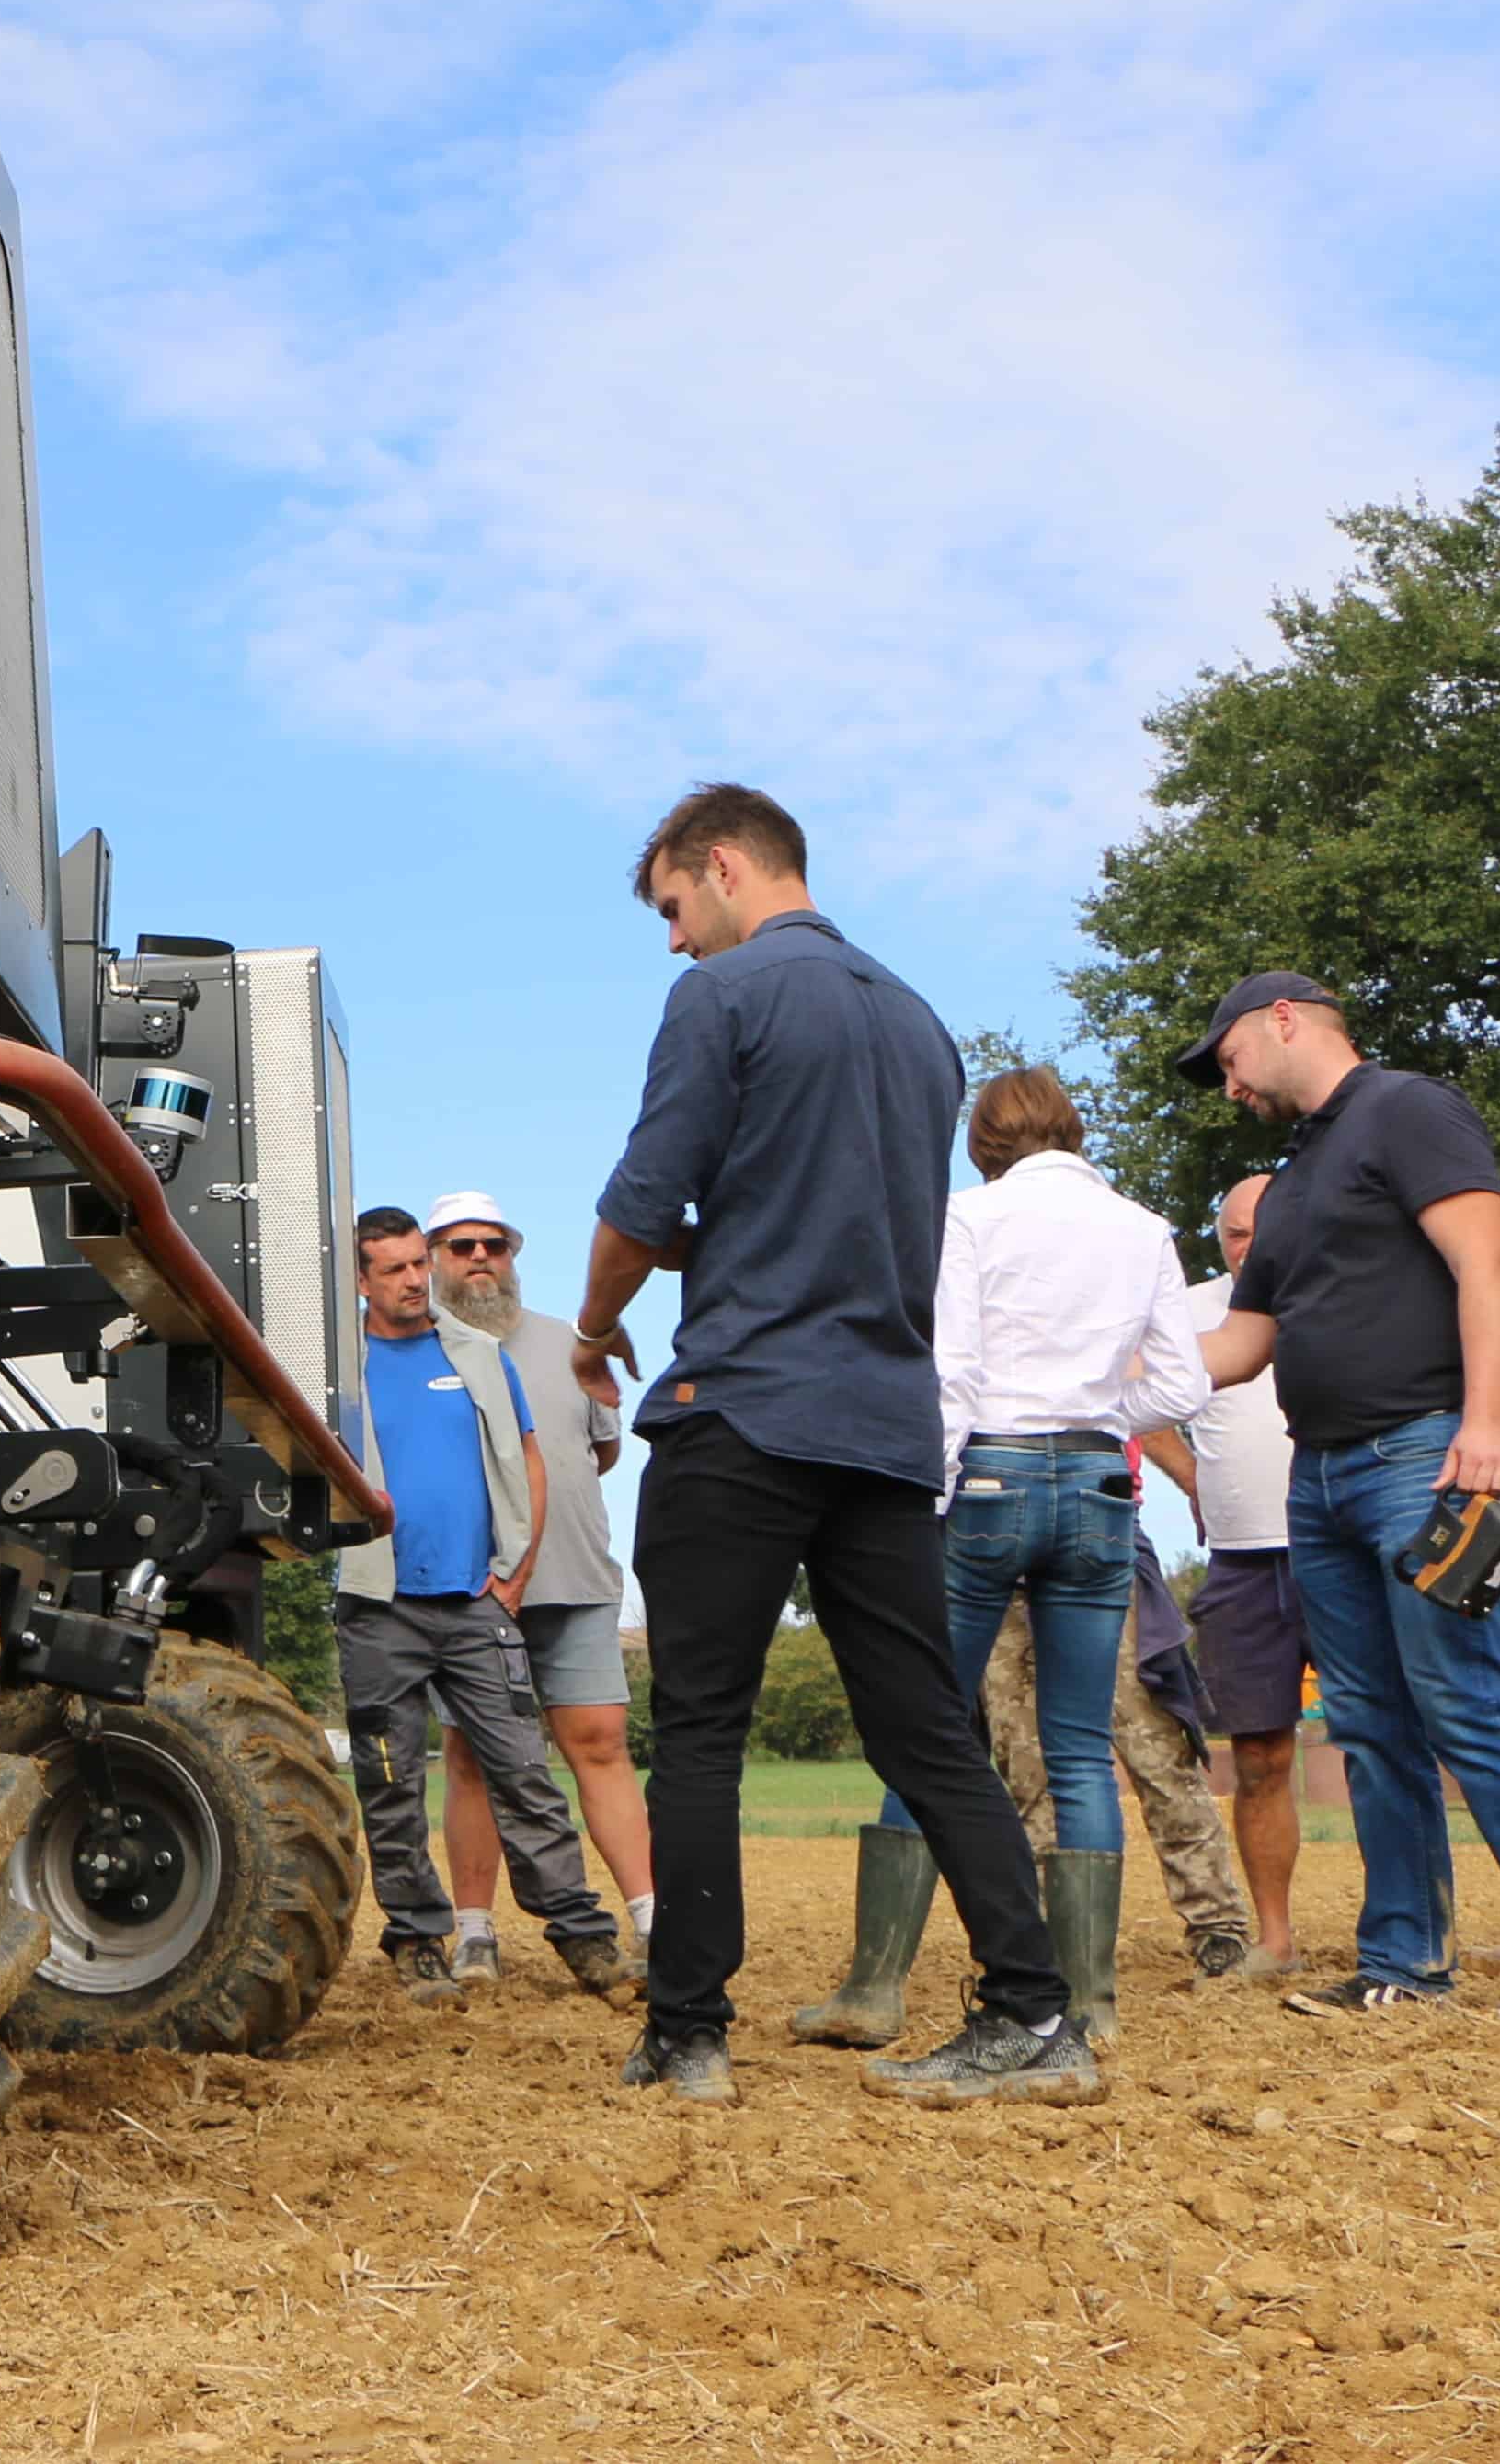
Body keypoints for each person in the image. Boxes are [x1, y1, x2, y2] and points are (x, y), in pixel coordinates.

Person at [574, 784, 1091, 2109]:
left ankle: (688, 2034)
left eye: (677, 909)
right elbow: (820, 1214)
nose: (676, 942)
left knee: (697, 1730)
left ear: (728, 867)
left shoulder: (723, 999)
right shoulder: (922, 1028)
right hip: (880, 1429)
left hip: (742, 1410)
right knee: (929, 1732)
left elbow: (639, 1202)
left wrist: (590, 1328)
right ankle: (1035, 2019)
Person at [1181, 972, 1500, 2021]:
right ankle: (1404, 1959)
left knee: (1469, 1705)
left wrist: (1489, 1423)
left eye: (1229, 1060)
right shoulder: (1293, 1177)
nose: (1230, 1086)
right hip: (1323, 1474)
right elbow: (1244, 1341)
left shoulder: (1410, 1108)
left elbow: (1486, 1261)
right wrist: (1097, 1366)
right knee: (1368, 1720)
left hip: (1424, 1457)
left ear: (1283, 1021)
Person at [792, 1064, 1207, 2050]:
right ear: (1071, 1130)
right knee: (1077, 1747)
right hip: (1103, 1485)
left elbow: (955, 1372)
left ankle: (876, 1986)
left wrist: (927, 1493)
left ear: (983, 1141)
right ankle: (1092, 2003)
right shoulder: (1144, 1228)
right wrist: (1101, 1415)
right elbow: (1183, 1381)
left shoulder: (968, 1219)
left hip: (989, 1476)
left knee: (926, 1729)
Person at [336, 1205, 633, 2009]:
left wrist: (514, 1572)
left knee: (524, 1775)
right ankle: (417, 1941)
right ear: (358, 1280)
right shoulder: (337, 1366)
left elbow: (528, 1461)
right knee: (391, 1779)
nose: (411, 1280)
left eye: (413, 1264)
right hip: (378, 1606)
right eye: (391, 1268)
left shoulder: (473, 1353)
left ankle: (585, 1938)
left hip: (475, 1605)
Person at [423, 1190, 655, 1980]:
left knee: (599, 1745)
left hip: (574, 1576)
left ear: (513, 1256)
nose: (480, 1257)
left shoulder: (569, 1344)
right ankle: (475, 1933)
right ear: (430, 1261)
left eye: (494, 1244)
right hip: (466, 1594)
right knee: (470, 1758)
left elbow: (597, 1454)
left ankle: (651, 1920)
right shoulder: (413, 1351)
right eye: (460, 1246)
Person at [969, 1528, 1258, 1990]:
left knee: (1162, 1761)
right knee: (1028, 1775)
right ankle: (1056, 1942)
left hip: (1100, 1550)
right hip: (997, 1569)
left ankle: (1219, 1932)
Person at [1147, 1175, 1306, 1980]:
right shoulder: (1189, 1309)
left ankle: (1414, 1932)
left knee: (1391, 1741)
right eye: (1232, 1233)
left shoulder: (1332, 1288)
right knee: (1257, 1756)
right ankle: (1273, 1942)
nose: (1245, 1246)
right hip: (1241, 1559)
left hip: (1335, 1546)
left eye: (1258, 1230)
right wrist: (1191, 1479)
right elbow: (1138, 1403)